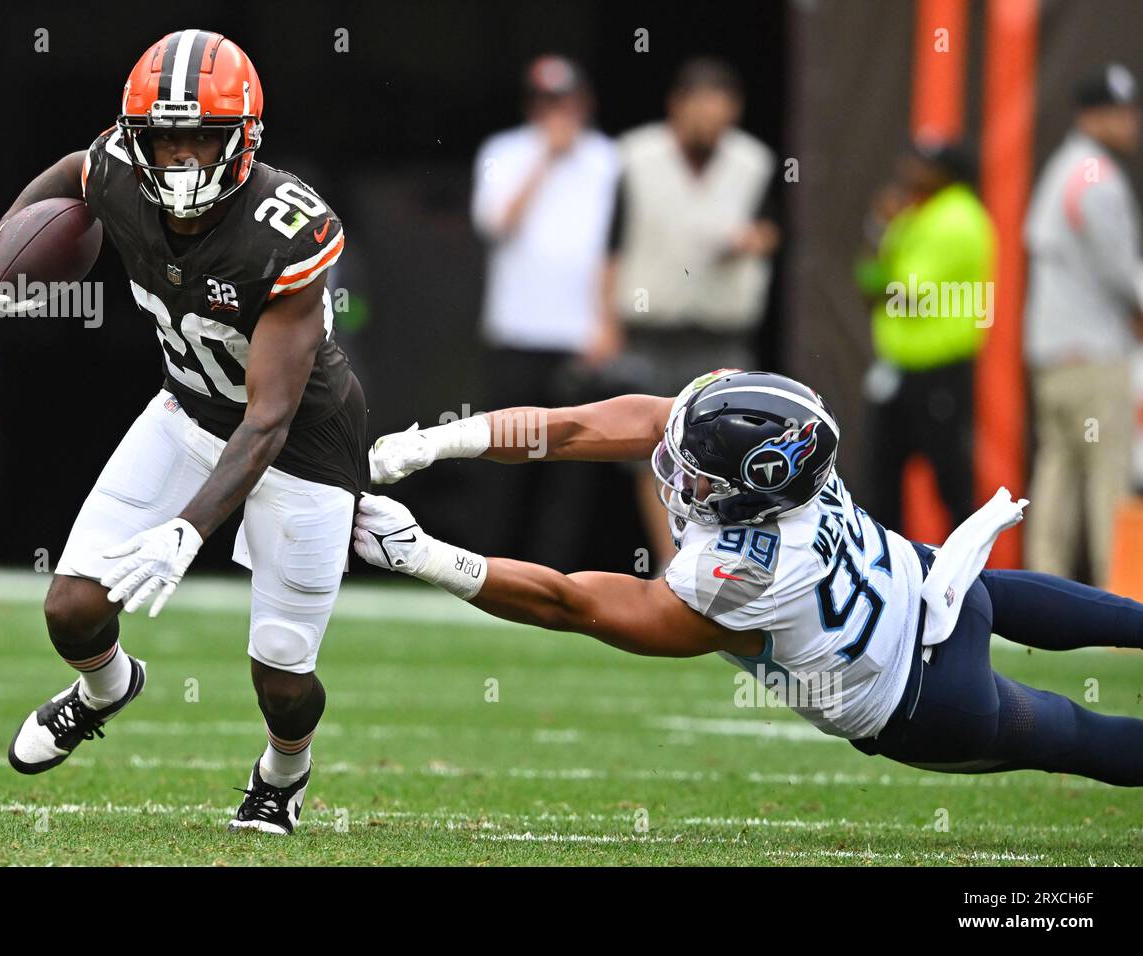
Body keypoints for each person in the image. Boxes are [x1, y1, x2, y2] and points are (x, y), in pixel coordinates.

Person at [361, 369, 1143, 786]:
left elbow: (571, 604)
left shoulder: (740, 572)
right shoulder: (787, 435)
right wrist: (443, 441)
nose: (676, 475)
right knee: (1012, 609)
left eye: (699, 475)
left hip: (924, 698)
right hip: (933, 583)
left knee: (1077, 736)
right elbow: (577, 429)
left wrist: (428, 556)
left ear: (755, 490)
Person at [0, 31, 368, 834]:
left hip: (304, 444)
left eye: (202, 138)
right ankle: (106, 688)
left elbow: (268, 419)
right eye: (164, 138)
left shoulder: (286, 230)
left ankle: (283, 772)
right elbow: (76, 171)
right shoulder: (118, 167)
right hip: (188, 408)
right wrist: (2, 236)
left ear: (243, 138)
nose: (180, 156)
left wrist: (186, 531)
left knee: (282, 674)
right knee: (72, 608)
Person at [599, 58, 778, 570]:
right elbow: (611, 245)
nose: (710, 126)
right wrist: (604, 323)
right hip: (652, 327)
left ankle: (718, 558)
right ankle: (669, 561)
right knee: (650, 451)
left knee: (731, 447)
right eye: (701, 112)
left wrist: (754, 239)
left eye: (720, 115)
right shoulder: (635, 156)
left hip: (722, 331)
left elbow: (773, 227)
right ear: (677, 106)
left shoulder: (754, 162)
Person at [469, 54, 619, 568]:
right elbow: (496, 224)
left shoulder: (607, 159)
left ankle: (558, 571)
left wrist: (608, 323)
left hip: (580, 335)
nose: (556, 112)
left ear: (584, 103)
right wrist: (545, 160)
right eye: (545, 101)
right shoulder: (504, 151)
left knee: (572, 464)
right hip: (517, 330)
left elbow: (613, 249)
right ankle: (490, 566)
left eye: (565, 101)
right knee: (506, 451)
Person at [1025, 63, 1143, 586]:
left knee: (1057, 476)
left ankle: (1041, 593)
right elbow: (1122, 272)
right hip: (1094, 354)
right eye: (1119, 112)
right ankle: (1117, 596)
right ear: (1090, 117)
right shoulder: (1099, 177)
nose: (1130, 122)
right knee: (1107, 479)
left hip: (1053, 355)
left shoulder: (1061, 168)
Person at [855, 139, 995, 534]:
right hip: (898, 368)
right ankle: (883, 564)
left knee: (951, 481)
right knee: (882, 479)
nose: (910, 171)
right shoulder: (914, 216)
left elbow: (906, 296)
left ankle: (967, 565)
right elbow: (869, 284)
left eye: (923, 165)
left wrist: (879, 280)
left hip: (939, 370)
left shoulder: (957, 218)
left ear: (947, 173)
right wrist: (878, 229)